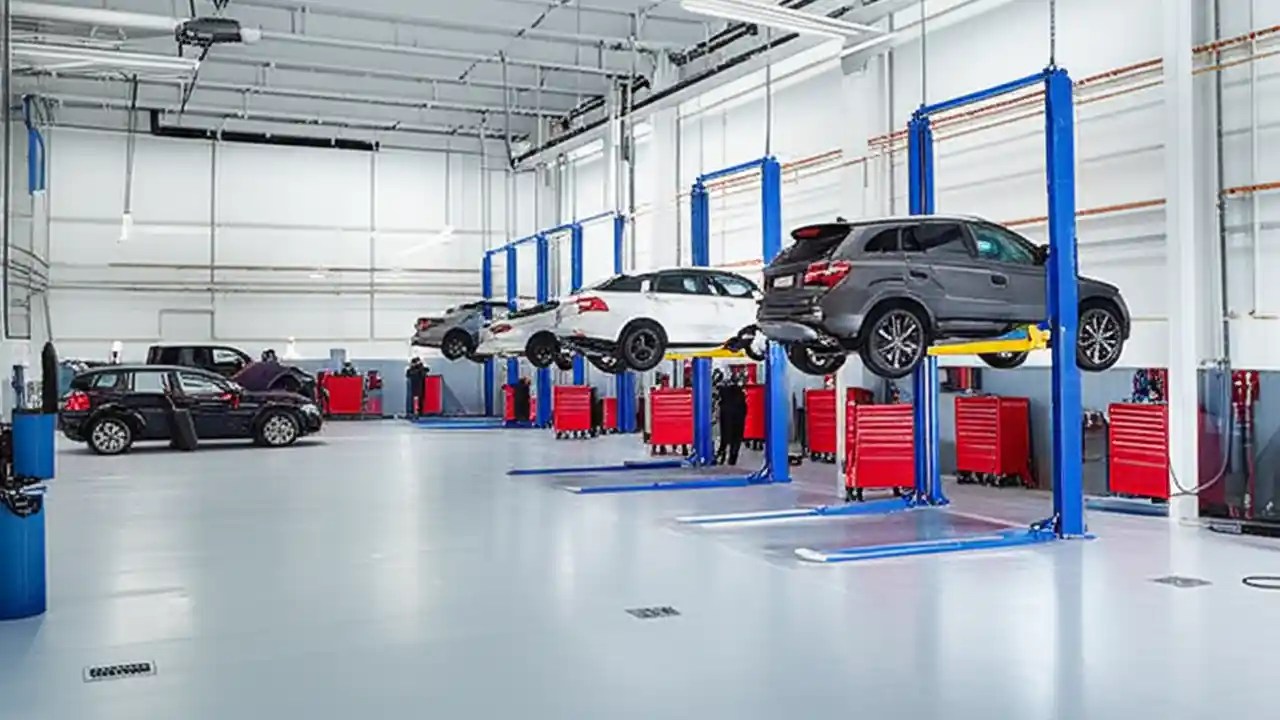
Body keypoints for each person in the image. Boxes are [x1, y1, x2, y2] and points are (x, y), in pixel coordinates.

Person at [717, 374, 748, 465]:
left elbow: (719, 400)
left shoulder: (723, 390)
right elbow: (744, 407)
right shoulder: (741, 392)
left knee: (725, 437)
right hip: (739, 416)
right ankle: (732, 458)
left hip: (726, 416)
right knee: (737, 438)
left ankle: (722, 454)